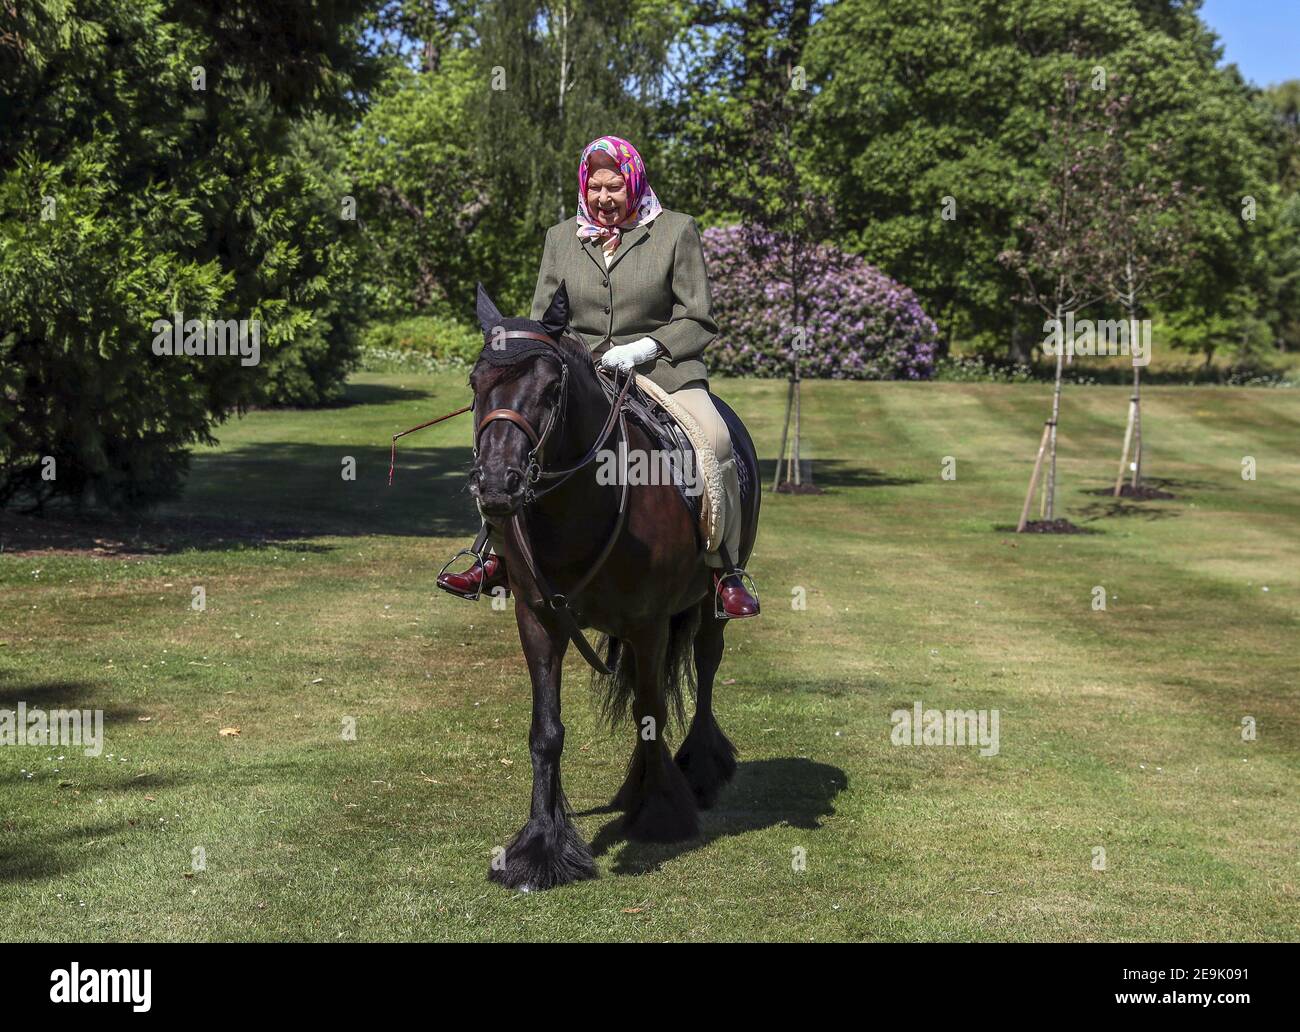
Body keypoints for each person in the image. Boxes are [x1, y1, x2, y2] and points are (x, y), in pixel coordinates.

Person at [438, 134, 758, 618]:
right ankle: (495, 556)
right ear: (584, 187)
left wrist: (645, 348)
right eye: (596, 188)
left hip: (662, 370)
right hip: (579, 372)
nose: (605, 199)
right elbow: (545, 321)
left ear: (634, 183)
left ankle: (723, 568)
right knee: (508, 439)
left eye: (615, 187)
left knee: (713, 440)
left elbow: (698, 318)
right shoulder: (560, 237)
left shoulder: (675, 231)